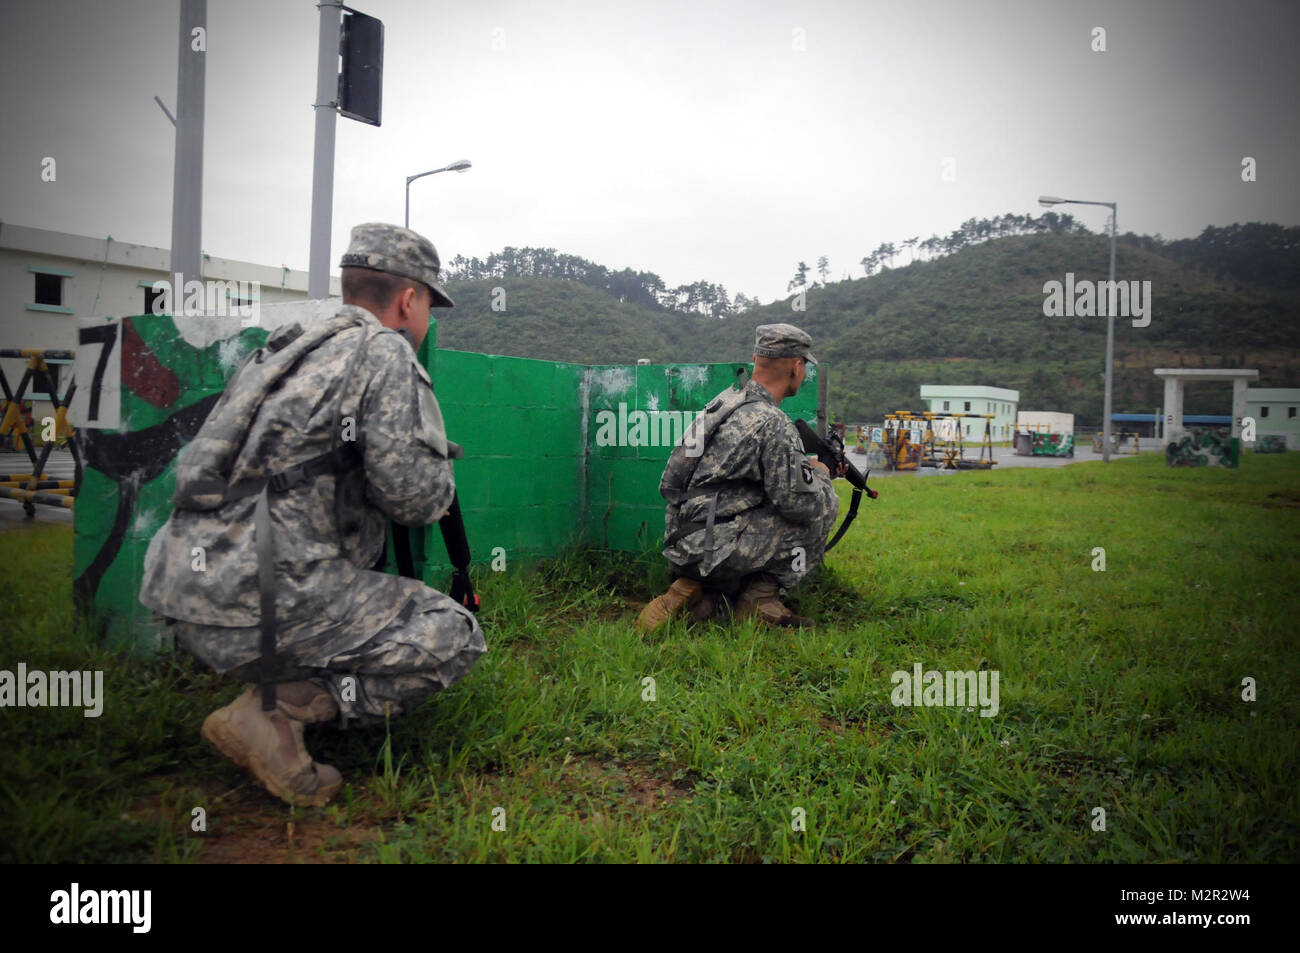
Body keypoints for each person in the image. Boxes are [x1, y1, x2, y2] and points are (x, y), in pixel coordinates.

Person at [139, 223, 486, 807]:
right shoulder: (384, 351)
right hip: (264, 603)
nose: (426, 317)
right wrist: (434, 458)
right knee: (453, 633)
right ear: (408, 299)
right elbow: (415, 500)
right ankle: (268, 715)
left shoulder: (283, 347)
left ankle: (271, 696)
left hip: (182, 592)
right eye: (428, 302)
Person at [637, 323, 842, 632]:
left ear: (756, 359)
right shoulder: (773, 423)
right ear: (797, 367)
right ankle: (760, 601)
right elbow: (802, 505)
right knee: (821, 508)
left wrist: (801, 465)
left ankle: (702, 596)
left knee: (763, 512)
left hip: (681, 540)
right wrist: (822, 475)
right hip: (716, 546)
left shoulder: (723, 403)